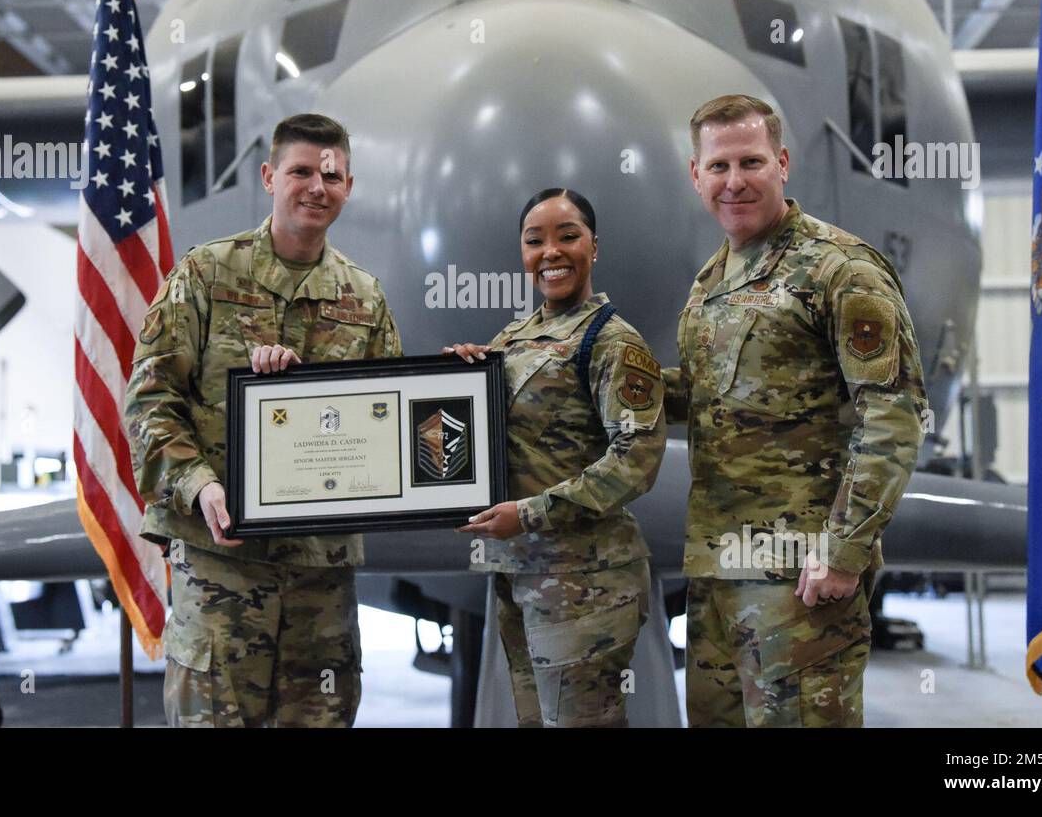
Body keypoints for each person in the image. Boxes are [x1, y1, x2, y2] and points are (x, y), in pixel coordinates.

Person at [125, 113, 401, 727]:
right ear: (269, 176)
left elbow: (388, 422)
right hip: (223, 571)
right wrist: (202, 487)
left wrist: (457, 386)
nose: (315, 187)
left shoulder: (365, 298)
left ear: (348, 186)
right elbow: (149, 400)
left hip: (319, 586)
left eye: (330, 175)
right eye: (300, 171)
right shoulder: (206, 275)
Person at [663, 94, 926, 727]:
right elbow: (703, 395)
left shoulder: (838, 269)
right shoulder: (715, 278)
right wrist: (572, 375)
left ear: (782, 162)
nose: (735, 181)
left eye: (750, 162)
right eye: (718, 166)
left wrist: (845, 549)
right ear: (696, 175)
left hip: (800, 577)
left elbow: (893, 414)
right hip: (721, 568)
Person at [446, 188, 665, 727]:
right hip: (520, 573)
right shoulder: (513, 338)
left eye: (568, 236)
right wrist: (459, 378)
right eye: (534, 240)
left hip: (584, 580)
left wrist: (530, 512)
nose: (551, 252)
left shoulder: (613, 341)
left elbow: (636, 459)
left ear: (594, 246)